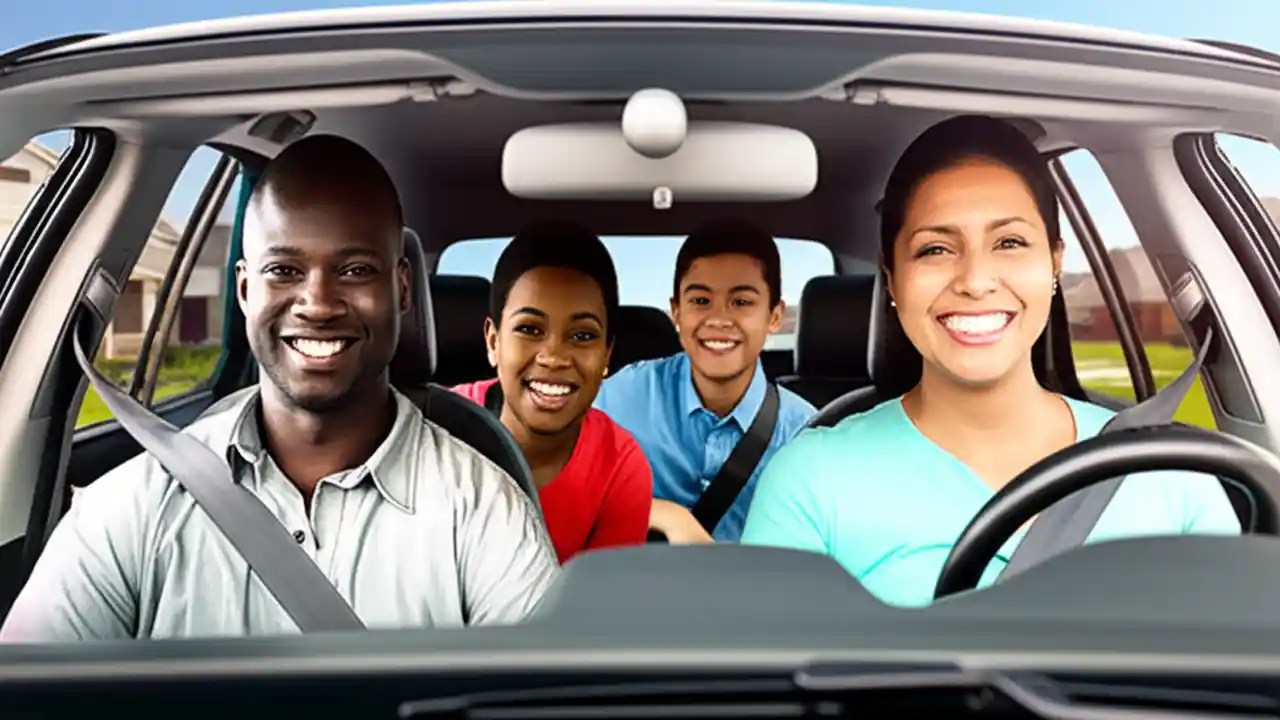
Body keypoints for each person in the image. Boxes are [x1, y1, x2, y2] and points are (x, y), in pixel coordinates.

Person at [0, 134, 559, 642]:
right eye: (284, 271)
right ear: (244, 289)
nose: (317, 303)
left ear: (403, 289)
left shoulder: (487, 512)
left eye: (357, 270)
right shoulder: (132, 508)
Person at [740, 114, 1240, 607]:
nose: (975, 280)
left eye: (1009, 243)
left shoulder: (1169, 476)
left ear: (1055, 261)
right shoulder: (810, 479)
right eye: (935, 249)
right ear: (891, 280)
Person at [593, 218, 817, 544]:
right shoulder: (622, 397)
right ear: (676, 312)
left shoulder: (804, 434)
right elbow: (559, 480)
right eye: (700, 301)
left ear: (774, 316)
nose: (719, 319)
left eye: (741, 302)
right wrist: (661, 512)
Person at [451, 220, 653, 563]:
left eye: (583, 335)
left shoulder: (620, 466)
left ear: (607, 354)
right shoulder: (438, 427)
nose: (554, 357)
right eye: (530, 329)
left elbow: (602, 607)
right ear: (493, 341)